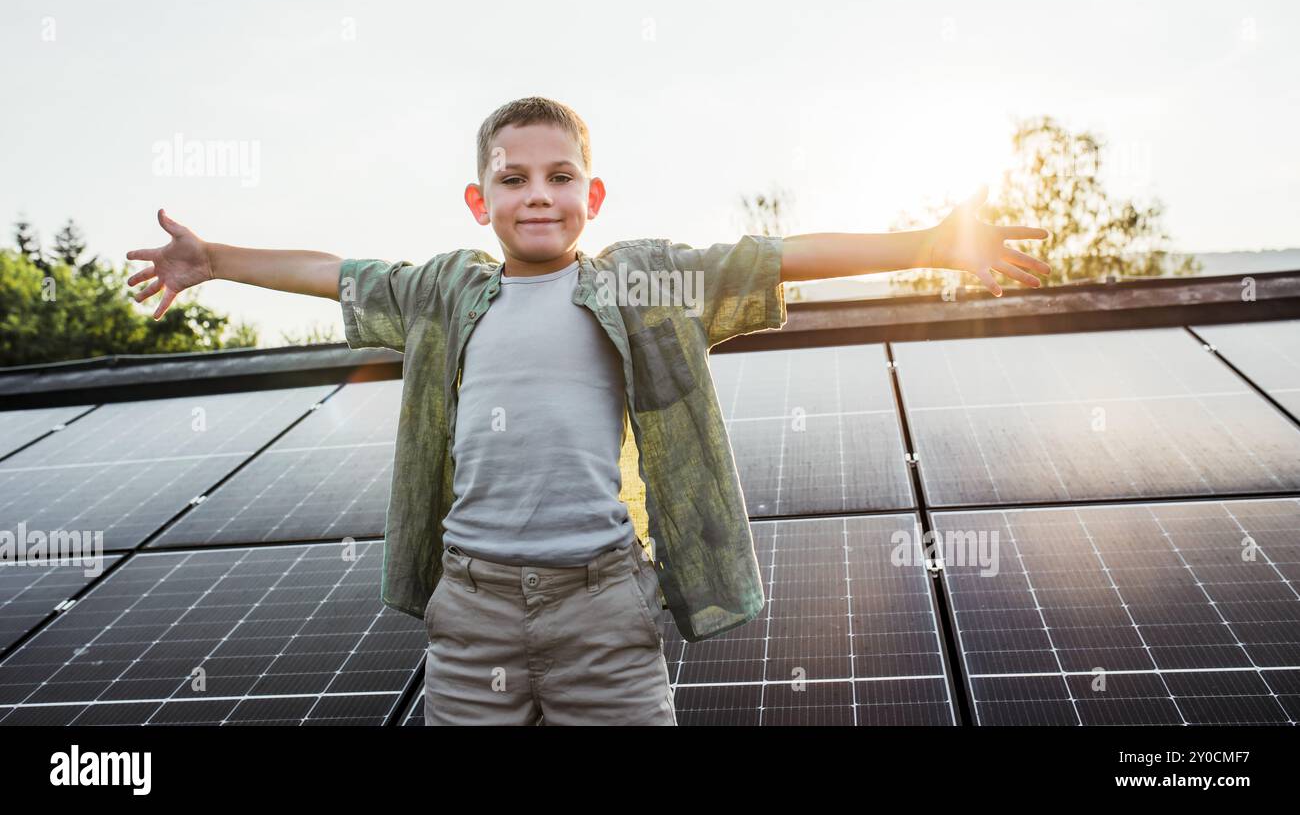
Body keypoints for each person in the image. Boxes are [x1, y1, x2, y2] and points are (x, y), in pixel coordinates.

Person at [126, 95, 1051, 725]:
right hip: (472, 612)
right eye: (515, 178)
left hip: (604, 608)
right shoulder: (444, 292)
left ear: (592, 195)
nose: (539, 195)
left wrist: (927, 241)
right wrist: (217, 258)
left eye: (560, 176)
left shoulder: (640, 280)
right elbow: (332, 271)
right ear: (479, 199)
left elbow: (774, 254)